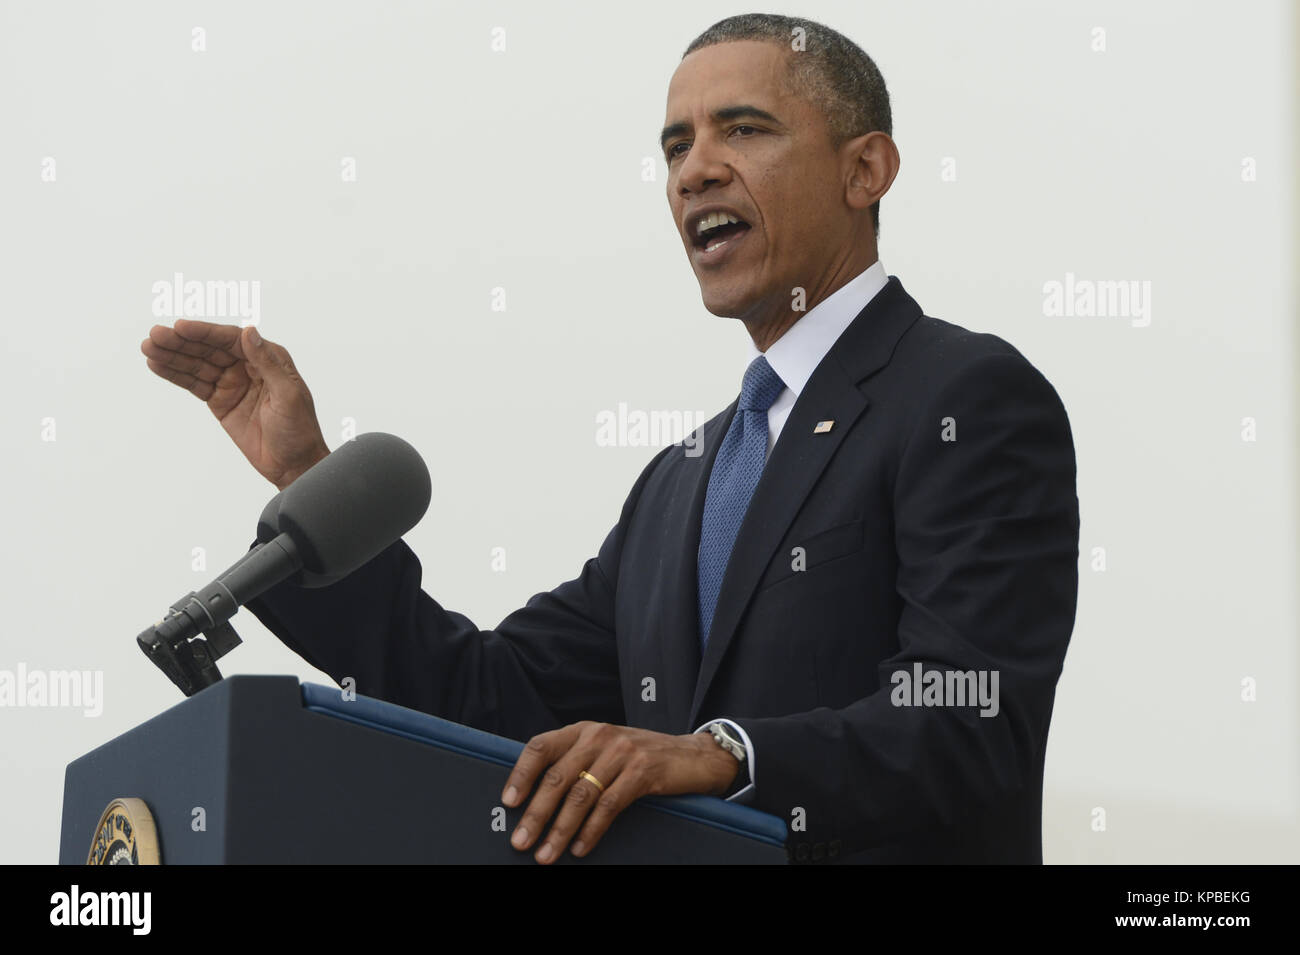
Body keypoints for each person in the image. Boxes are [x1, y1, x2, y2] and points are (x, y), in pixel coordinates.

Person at [141, 13, 1079, 864]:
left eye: (743, 129)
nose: (694, 170)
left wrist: (722, 756)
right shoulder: (680, 484)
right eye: (676, 146)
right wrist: (311, 479)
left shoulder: (964, 396)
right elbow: (487, 699)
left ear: (864, 169)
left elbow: (971, 712)